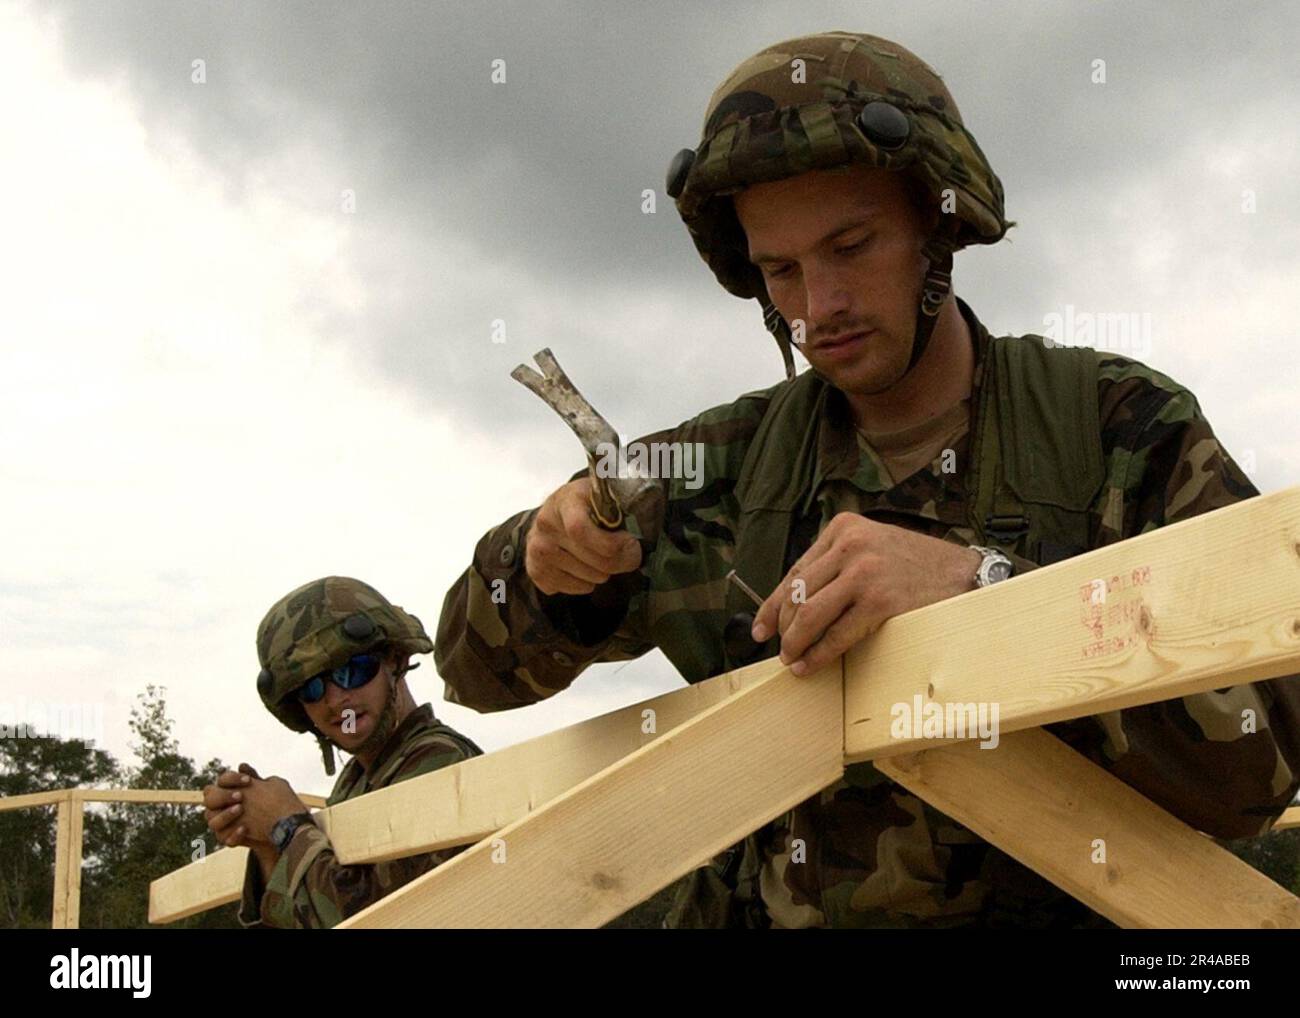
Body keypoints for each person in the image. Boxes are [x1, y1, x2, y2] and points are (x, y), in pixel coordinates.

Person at [433, 31, 1300, 928]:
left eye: (851, 247)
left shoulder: (1119, 429)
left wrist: (992, 599)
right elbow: (475, 673)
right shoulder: (713, 470)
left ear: (940, 228)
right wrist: (547, 572)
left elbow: (1256, 766)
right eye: (781, 271)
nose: (818, 308)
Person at [203, 576, 483, 928]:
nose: (335, 700)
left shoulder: (439, 760)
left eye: (352, 671)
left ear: (394, 660)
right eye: (312, 687)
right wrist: (267, 847)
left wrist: (287, 827)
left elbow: (379, 919)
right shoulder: (355, 784)